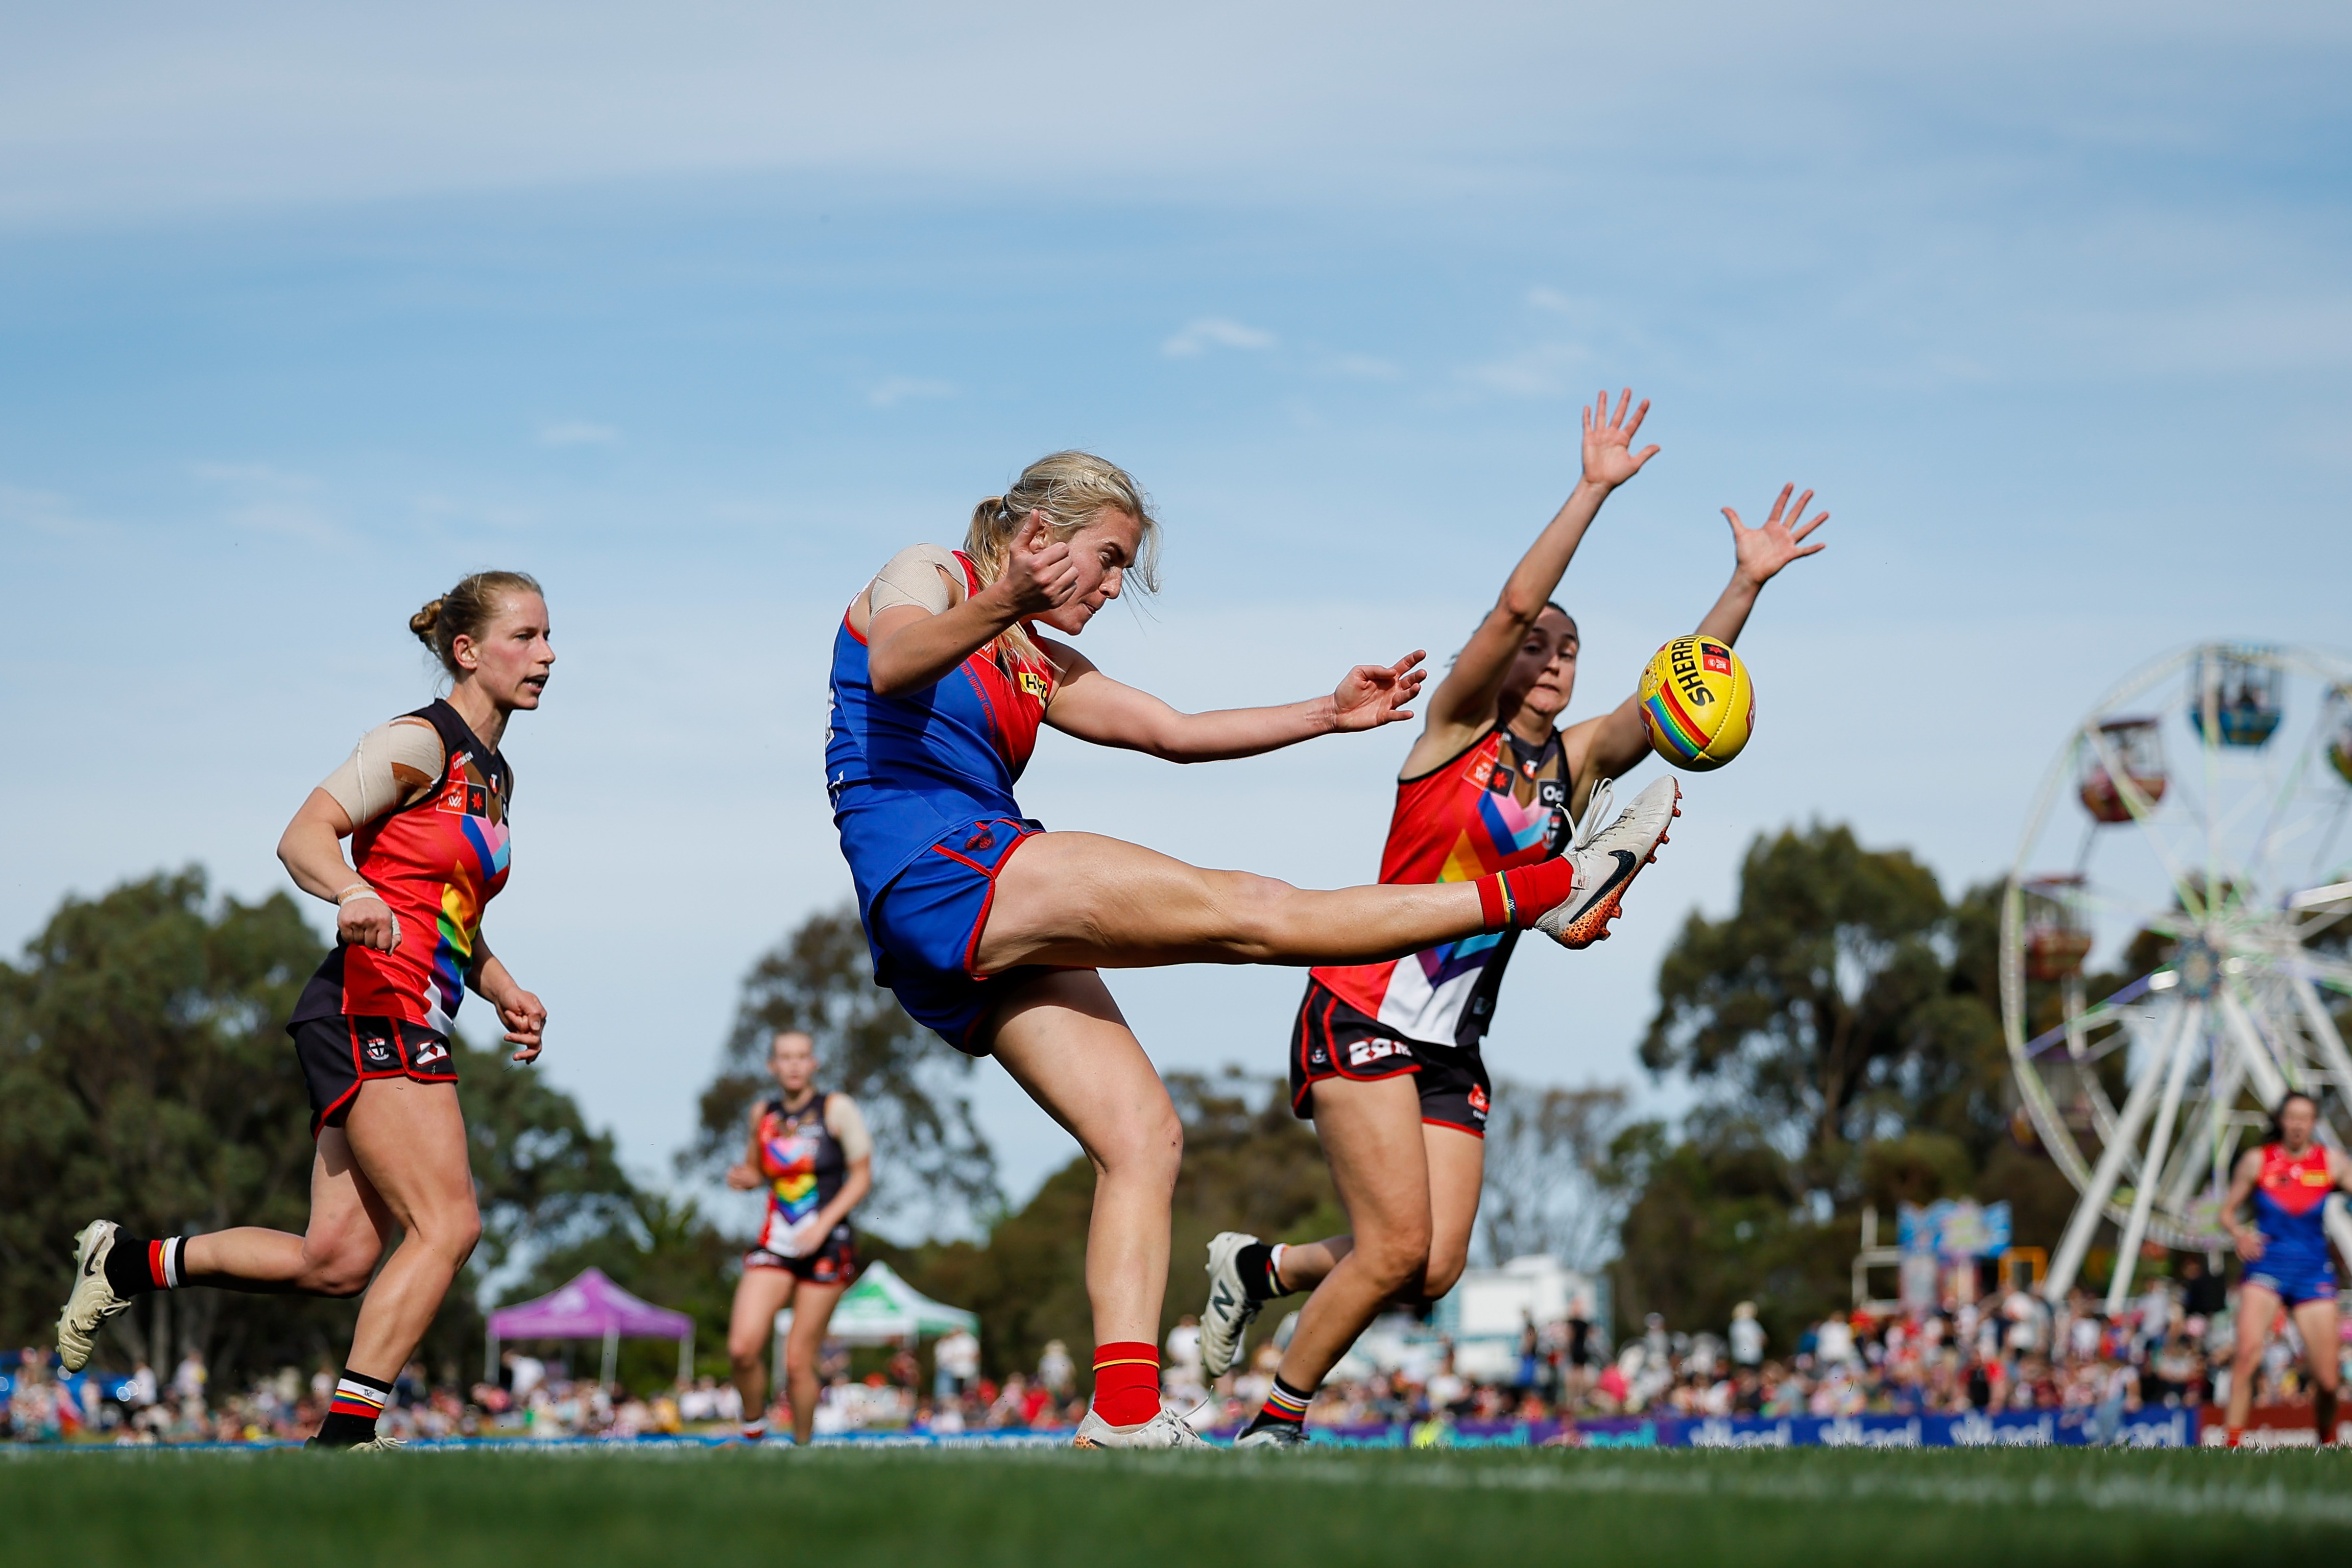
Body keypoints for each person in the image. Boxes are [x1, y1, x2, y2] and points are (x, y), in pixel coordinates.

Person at [828, 448, 1685, 1450]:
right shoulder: (932, 573)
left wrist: (1325, 713)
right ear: (1035, 536)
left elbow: (1172, 731)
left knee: (1143, 1135)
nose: (1111, 588)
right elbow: (893, 659)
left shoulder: (1033, 651)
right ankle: (1546, 887)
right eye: (1106, 562)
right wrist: (1005, 595)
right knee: (1257, 912)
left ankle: (1121, 1413)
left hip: (962, 912)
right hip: (942, 861)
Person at [1194, 394, 1829, 1446]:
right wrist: (1591, 490)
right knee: (1395, 1248)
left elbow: (1678, 697)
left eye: (1566, 647)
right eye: (1534, 644)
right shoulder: (1451, 731)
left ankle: (1259, 1268)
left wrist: (1743, 585)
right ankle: (1273, 1426)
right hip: (1362, 1000)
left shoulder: (1569, 766)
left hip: (1451, 1034)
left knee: (1429, 1264)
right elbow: (1505, 609)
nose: (1549, 656)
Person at [54, 571, 553, 1450]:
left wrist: (500, 984)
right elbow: (303, 836)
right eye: (526, 637)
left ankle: (129, 1259)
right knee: (451, 1225)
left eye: (549, 639)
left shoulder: (495, 771)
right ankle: (345, 1443)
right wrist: (350, 888)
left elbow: (442, 913)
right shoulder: (419, 740)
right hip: (368, 1005)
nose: (547, 656)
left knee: (336, 1262)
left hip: (397, 1009)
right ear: (467, 652)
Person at [723, 1030, 873, 1444]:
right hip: (776, 1242)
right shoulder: (763, 1114)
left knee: (796, 1360)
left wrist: (823, 1224)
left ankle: (802, 1449)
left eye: (801, 1056)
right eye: (784, 1057)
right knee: (742, 1348)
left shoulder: (837, 1108)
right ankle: (754, 1433)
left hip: (828, 1243)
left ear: (814, 1063)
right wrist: (746, 1178)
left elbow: (862, 1176)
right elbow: (759, 1171)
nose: (793, 1064)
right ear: (772, 1065)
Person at [2220, 1091, 2352, 1447]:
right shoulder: (2257, 1161)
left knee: (2327, 1380)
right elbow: (2227, 1212)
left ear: (2314, 1123)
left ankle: (2325, 1441)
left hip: (2314, 1273)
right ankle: (2231, 1445)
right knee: (2247, 1354)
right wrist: (2239, 1234)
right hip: (2266, 1269)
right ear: (2281, 1120)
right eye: (2291, 1116)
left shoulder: (2332, 1163)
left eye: (2304, 1117)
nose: (2297, 1124)